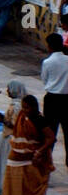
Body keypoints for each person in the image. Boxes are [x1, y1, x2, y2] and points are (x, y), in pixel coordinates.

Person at [1, 92, 55, 195]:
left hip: (31, 161)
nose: (25, 110)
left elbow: (51, 138)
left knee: (28, 193)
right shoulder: (21, 118)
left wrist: (40, 151)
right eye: (23, 108)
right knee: (14, 192)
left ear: (34, 107)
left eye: (27, 108)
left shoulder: (39, 120)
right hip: (16, 160)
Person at [0, 79, 25, 195]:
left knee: (5, 166)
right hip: (7, 138)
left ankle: (6, 192)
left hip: (10, 139)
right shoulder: (16, 104)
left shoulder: (17, 106)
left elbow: (15, 125)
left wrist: (2, 120)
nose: (7, 91)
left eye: (9, 88)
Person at [40, 32, 68, 163]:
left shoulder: (47, 62)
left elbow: (44, 80)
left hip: (52, 99)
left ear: (49, 46)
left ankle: (46, 160)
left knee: (50, 132)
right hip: (66, 99)